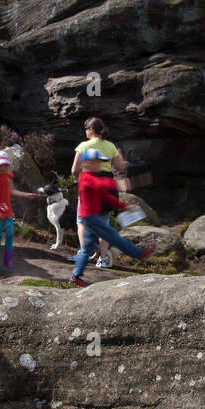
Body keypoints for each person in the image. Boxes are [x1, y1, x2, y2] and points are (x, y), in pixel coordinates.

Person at [70, 149, 154, 286]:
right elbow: (99, 185)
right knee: (113, 236)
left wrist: (123, 206)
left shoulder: (93, 177)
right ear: (87, 163)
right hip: (90, 217)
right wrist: (118, 184)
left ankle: (75, 277)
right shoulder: (85, 177)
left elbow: (106, 196)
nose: (99, 165)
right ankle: (138, 254)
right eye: (97, 162)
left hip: (90, 217)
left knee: (86, 249)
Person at [70, 117, 129, 269]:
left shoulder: (83, 146)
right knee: (104, 223)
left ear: (91, 130)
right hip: (106, 184)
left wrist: (78, 181)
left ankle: (84, 253)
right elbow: (120, 167)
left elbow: (74, 169)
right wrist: (119, 155)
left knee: (81, 222)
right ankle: (102, 259)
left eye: (86, 129)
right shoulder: (110, 146)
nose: (85, 132)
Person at [0, 150, 38, 276]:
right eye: (0, 165)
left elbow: (12, 191)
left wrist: (26, 194)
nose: (3, 168)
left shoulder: (8, 176)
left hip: (6, 208)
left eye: (5, 165)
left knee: (10, 233)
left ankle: (8, 258)